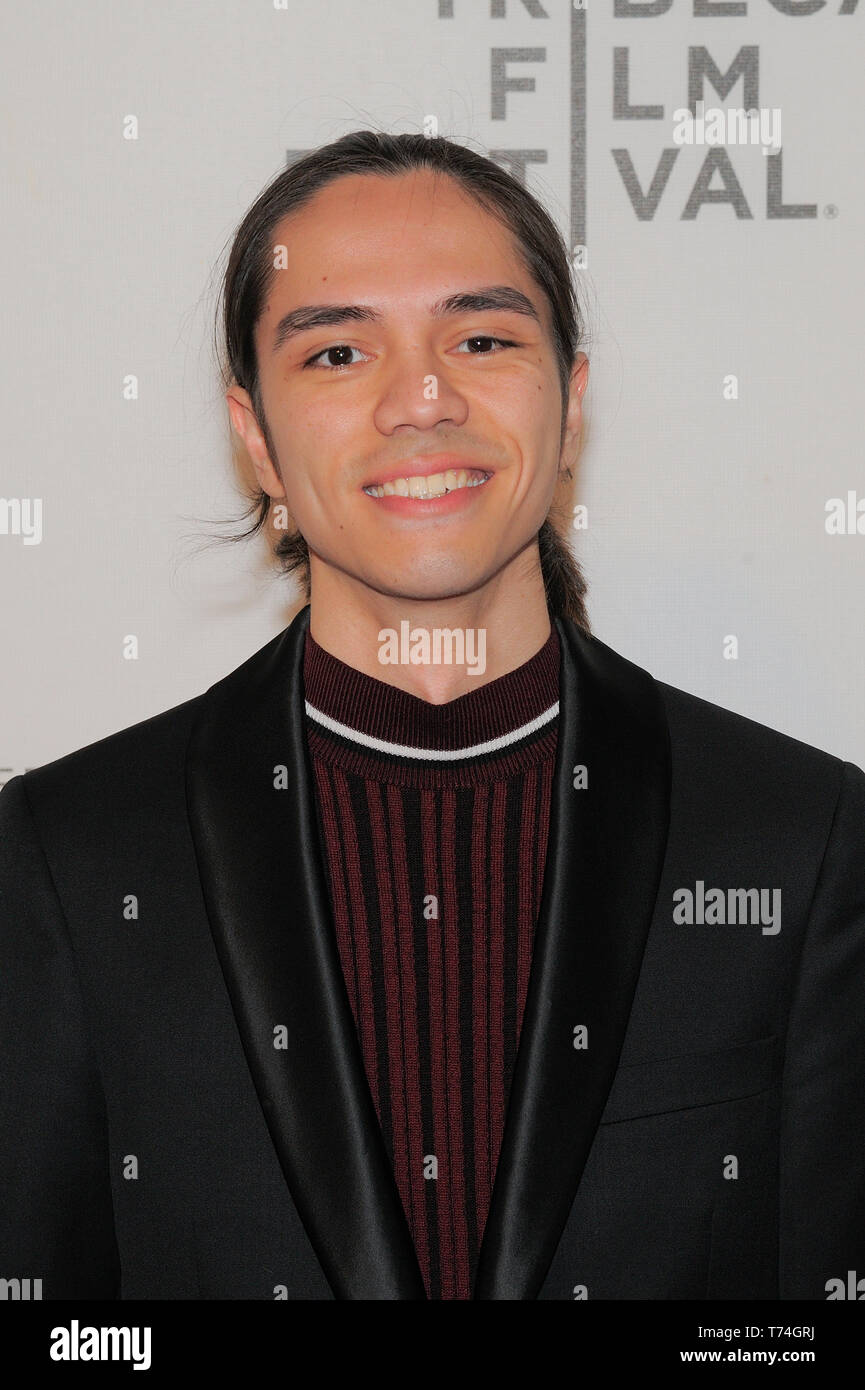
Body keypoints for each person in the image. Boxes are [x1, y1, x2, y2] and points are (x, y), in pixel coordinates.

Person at [1, 130, 863, 1301]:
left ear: (571, 402)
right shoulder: (74, 853)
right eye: (339, 350)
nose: (421, 399)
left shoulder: (798, 837)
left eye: (482, 338)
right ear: (253, 434)